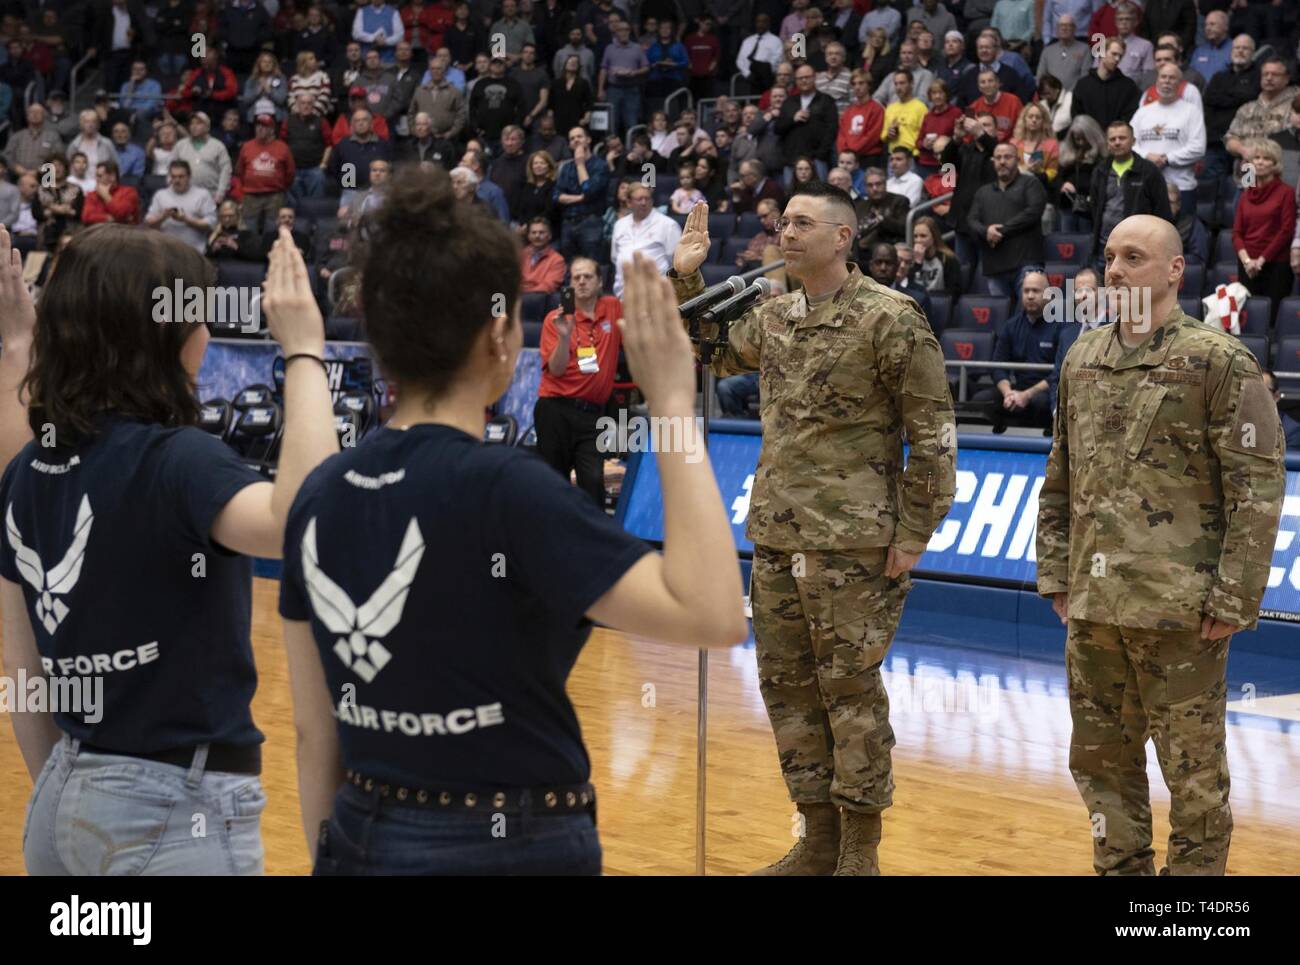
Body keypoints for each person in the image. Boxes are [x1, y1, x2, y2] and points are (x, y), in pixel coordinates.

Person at [279, 166, 744, 876]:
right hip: (509, 843)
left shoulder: (316, 495)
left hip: (362, 831)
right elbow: (713, 612)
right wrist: (674, 405)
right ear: (499, 336)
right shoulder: (511, 489)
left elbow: (315, 734)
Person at [0, 218, 336, 876]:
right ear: (170, 338)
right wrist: (304, 352)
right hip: (174, 814)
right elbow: (301, 520)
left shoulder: (28, 473)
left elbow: (22, 678)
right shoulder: (181, 461)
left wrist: (70, 796)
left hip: (62, 806)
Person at [670, 186, 956, 875]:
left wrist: (915, 531)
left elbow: (934, 433)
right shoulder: (776, 315)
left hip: (854, 541)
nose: (787, 232)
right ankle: (817, 837)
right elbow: (711, 347)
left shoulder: (890, 317)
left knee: (848, 690)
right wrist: (687, 276)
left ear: (843, 236)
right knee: (786, 687)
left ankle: (860, 850)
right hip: (777, 532)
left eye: (803, 223)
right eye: (783, 222)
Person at [1037, 213, 1286, 876]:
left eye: (1134, 257)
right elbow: (1060, 472)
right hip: (1093, 607)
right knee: (1100, 762)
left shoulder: (1219, 361)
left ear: (1176, 269)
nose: (1116, 270)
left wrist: (1234, 596)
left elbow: (1258, 488)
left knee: (1192, 774)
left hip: (1181, 611)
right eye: (1110, 257)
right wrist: (1056, 574)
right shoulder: (1082, 357)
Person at [972, 268, 1057, 431]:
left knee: (1041, 403)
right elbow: (997, 366)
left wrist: (1027, 395)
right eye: (1026, 291)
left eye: (1036, 291)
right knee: (981, 399)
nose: (1030, 296)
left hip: (1046, 391)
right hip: (1016, 389)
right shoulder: (1011, 326)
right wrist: (1008, 393)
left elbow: (1058, 373)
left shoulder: (1060, 326)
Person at [1087, 120, 1172, 272]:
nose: (1117, 142)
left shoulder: (1149, 171)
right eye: (1112, 139)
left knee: (1137, 288)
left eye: (1122, 138)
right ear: (1107, 144)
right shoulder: (1100, 171)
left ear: (1133, 141)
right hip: (1105, 248)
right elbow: (1094, 208)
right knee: (1101, 287)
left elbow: (1162, 212)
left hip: (1138, 250)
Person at [968, 141, 1047, 296]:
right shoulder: (983, 192)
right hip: (994, 268)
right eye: (998, 158)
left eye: (1007, 157)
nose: (1002, 161)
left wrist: (1002, 230)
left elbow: (1033, 212)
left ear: (1017, 160)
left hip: (1026, 263)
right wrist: (986, 231)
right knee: (999, 312)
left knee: (1029, 309)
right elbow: (971, 220)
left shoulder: (1031, 183)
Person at [1232, 139, 1297, 307]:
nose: (1260, 162)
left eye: (1266, 158)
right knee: (1249, 315)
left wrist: (1261, 261)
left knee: (1272, 315)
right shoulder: (1246, 194)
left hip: (1275, 265)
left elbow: (1286, 230)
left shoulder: (1286, 193)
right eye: (1257, 158)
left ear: (1275, 164)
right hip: (1247, 265)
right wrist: (1247, 261)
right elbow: (1237, 233)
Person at [1047, 265, 1109, 413]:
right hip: (1068, 415)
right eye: (1078, 291)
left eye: (1089, 290)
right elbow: (1057, 378)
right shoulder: (1066, 335)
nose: (1083, 296)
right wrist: (1056, 410)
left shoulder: (1117, 330)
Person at [610, 183, 681, 296]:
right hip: (623, 294)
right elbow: (615, 257)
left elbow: (676, 263)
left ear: (652, 201)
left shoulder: (668, 225)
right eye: (639, 199)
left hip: (656, 294)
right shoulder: (619, 225)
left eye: (647, 199)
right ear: (629, 202)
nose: (643, 203)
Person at [553, 126, 609, 261]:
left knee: (592, 264)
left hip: (590, 222)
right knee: (569, 265)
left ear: (588, 140)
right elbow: (556, 196)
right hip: (568, 222)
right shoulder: (566, 168)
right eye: (572, 138)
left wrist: (580, 164)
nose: (576, 140)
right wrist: (580, 198)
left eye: (579, 136)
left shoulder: (600, 165)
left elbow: (588, 190)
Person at [776, 64, 838, 183]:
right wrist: (793, 119)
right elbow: (778, 128)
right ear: (795, 80)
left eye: (807, 77)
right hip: (791, 161)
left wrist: (820, 154)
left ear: (814, 78)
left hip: (817, 161)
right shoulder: (789, 102)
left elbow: (832, 129)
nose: (804, 80)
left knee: (819, 193)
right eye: (800, 78)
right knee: (792, 194)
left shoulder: (826, 100)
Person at [236, 115, 296, 232]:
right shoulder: (247, 146)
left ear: (272, 130)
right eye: (258, 125)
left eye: (264, 126)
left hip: (274, 195)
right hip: (251, 195)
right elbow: (240, 171)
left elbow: (290, 173)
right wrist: (249, 184)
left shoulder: (282, 147)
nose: (260, 128)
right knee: (248, 230)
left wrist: (280, 186)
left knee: (272, 230)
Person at [144, 159, 217, 253]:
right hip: (166, 251)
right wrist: (163, 216)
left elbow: (211, 225)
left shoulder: (202, 195)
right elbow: (148, 224)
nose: (177, 180)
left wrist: (186, 220)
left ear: (189, 176)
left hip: (194, 252)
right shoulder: (160, 195)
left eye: (181, 176)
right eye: (173, 176)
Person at [1071, 36, 1140, 133]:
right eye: (1114, 54)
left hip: (1116, 138)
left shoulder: (1128, 86)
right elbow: (1077, 116)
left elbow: (1130, 116)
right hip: (1089, 138)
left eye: (1120, 56)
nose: (1117, 59)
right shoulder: (1083, 85)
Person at [175, 112, 232, 205]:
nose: (194, 126)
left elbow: (226, 171)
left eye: (198, 123)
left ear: (207, 127)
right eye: (192, 123)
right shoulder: (180, 145)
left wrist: (220, 193)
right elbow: (171, 168)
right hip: (184, 195)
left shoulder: (218, 146)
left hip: (211, 195)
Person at [910, 214, 961, 297]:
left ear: (933, 237)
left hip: (940, 300)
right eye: (915, 236)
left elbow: (954, 290)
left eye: (923, 236)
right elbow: (907, 286)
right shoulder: (910, 259)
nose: (918, 240)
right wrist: (917, 263)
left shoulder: (947, 259)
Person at [881, 70, 928, 155]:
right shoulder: (890, 108)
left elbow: (925, 135)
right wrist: (889, 134)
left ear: (911, 84)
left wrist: (916, 154)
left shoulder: (921, 108)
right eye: (896, 84)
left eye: (902, 83)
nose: (898, 87)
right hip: (894, 155)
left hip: (912, 155)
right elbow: (883, 136)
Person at [81, 159, 139, 225]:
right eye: (98, 176)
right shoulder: (92, 195)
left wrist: (106, 196)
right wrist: (108, 218)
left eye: (100, 176)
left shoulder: (129, 192)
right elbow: (86, 217)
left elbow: (121, 213)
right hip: (99, 230)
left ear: (113, 176)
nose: (98, 179)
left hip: (124, 230)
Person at [1166, 182, 1209, 267]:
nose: (1166, 206)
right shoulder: (1152, 224)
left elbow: (1199, 259)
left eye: (1170, 202)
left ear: (1178, 205)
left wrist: (1169, 259)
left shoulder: (1192, 224)